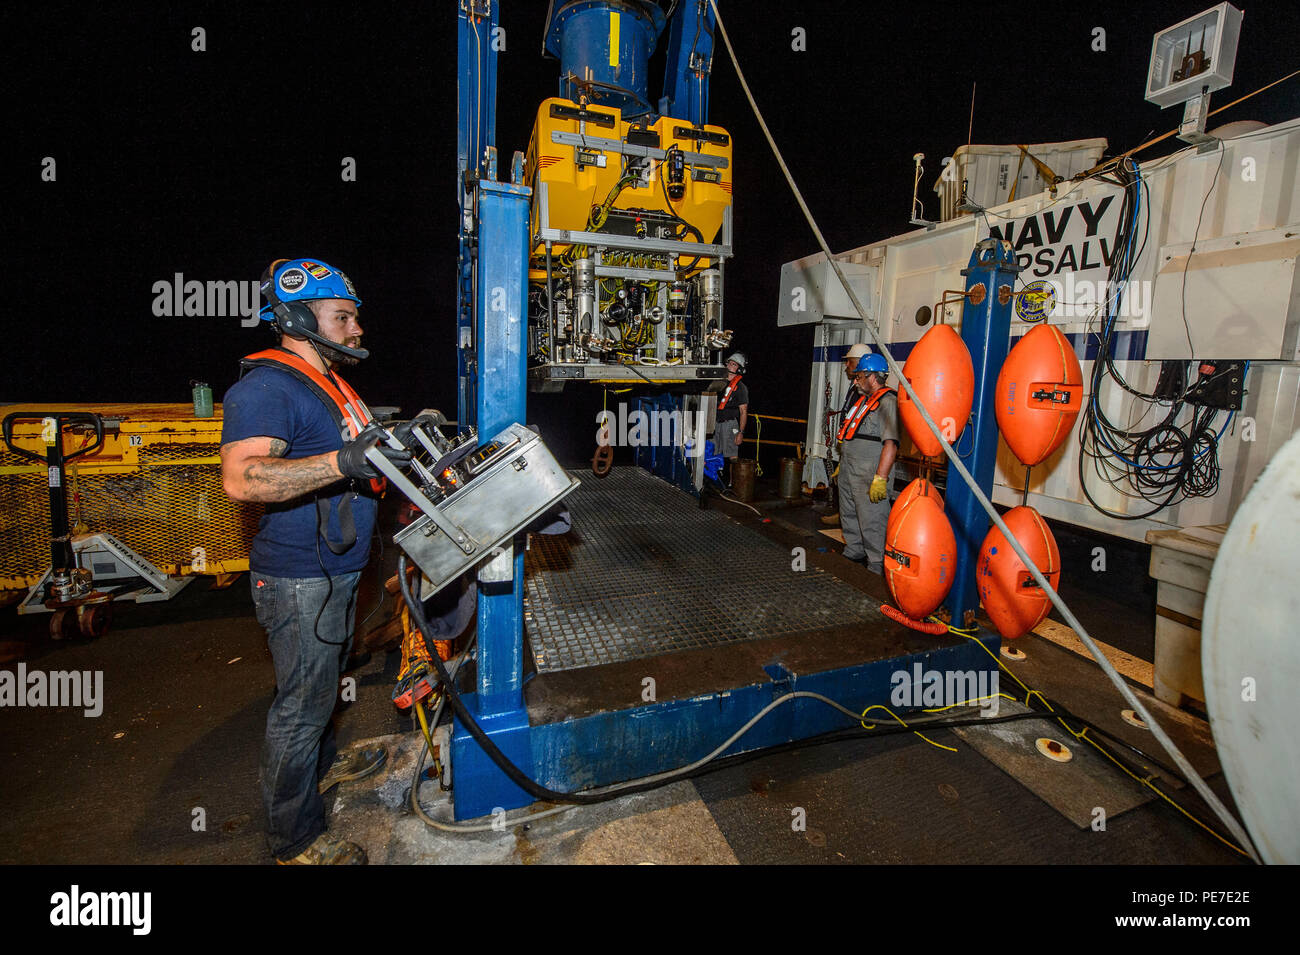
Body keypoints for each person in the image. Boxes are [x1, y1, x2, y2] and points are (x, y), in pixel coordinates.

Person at [220, 257, 408, 865]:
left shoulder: (321, 382)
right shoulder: (266, 388)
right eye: (343, 317)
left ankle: (323, 770)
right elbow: (243, 480)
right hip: (300, 577)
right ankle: (294, 839)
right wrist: (342, 465)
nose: (356, 329)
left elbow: (343, 441)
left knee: (320, 691)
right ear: (301, 318)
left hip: (333, 571)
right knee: (300, 710)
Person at [837, 352, 900, 573]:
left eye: (859, 376)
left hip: (869, 471)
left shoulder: (888, 402)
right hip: (850, 468)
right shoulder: (864, 401)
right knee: (849, 510)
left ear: (872, 377)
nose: (855, 381)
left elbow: (891, 444)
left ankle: (876, 561)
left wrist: (881, 478)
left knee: (872, 517)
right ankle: (855, 548)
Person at [821, 343, 871, 526]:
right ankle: (843, 515)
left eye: (849, 361)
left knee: (855, 487)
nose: (846, 365)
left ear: (858, 362)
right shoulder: (855, 386)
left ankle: (849, 519)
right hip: (849, 444)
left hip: (858, 447)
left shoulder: (866, 391)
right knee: (844, 484)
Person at [711, 352, 749, 485]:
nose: (729, 365)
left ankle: (733, 483)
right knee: (714, 451)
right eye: (729, 363)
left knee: (732, 455)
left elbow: (743, 411)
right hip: (715, 423)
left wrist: (741, 432)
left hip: (731, 424)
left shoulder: (741, 388)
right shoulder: (718, 383)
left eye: (733, 364)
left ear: (739, 368)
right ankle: (713, 479)